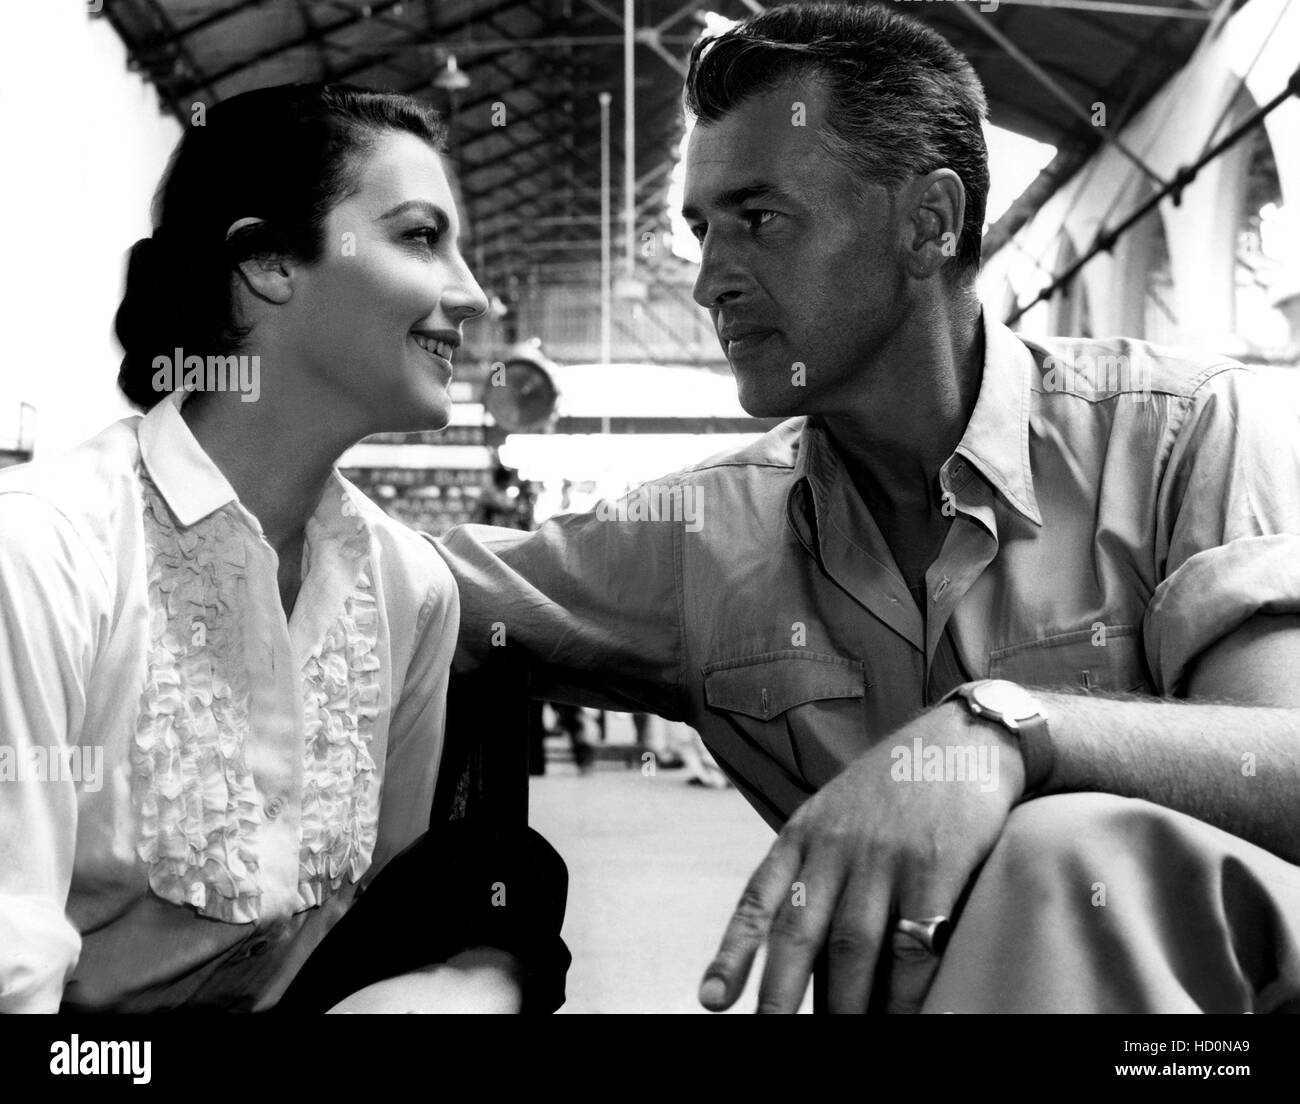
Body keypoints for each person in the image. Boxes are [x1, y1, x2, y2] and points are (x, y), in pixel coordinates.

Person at [435, 2, 1300, 1013]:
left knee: (1063, 847)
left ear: (925, 223)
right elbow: (415, 590)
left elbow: (1277, 757)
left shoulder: (1182, 433)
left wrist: (1004, 734)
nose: (711, 278)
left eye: (758, 220)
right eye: (701, 230)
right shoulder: (699, 539)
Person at [0, 83, 568, 1013]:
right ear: (269, 264)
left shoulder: (409, 586)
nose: (472, 295)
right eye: (422, 237)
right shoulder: (42, 553)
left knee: (506, 879)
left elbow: (388, 910)